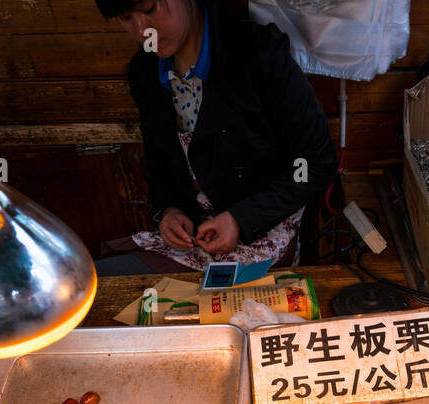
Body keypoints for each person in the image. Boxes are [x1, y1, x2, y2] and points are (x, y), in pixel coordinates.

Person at [94, 0, 338, 274]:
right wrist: (169, 210)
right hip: (197, 233)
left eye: (151, 10)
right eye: (126, 18)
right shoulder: (146, 72)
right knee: (102, 279)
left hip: (264, 228)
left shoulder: (257, 53)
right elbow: (159, 167)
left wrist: (241, 219)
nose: (142, 31)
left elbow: (314, 163)